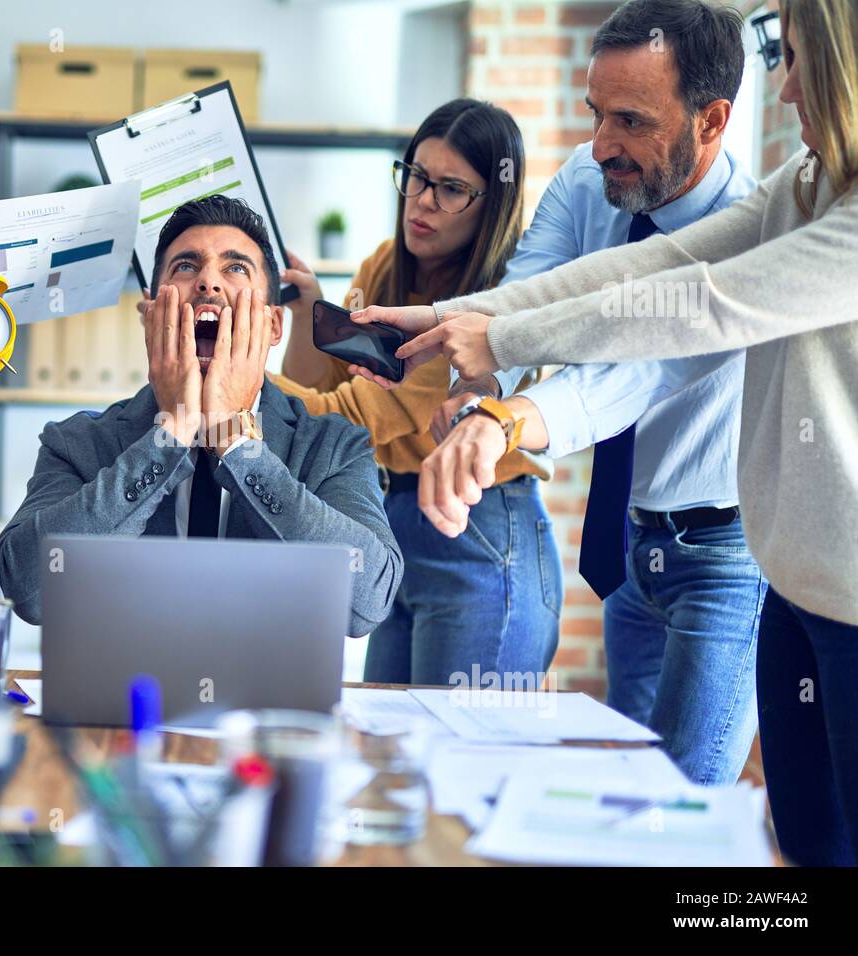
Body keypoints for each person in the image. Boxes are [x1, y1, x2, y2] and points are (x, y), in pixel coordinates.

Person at [373, 0, 858, 866]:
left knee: (682, 835)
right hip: (721, 572)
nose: (783, 87)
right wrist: (456, 317)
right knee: (708, 833)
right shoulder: (803, 189)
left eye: (797, 62)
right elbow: (648, 266)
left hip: (771, 570)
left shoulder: (823, 215)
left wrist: (505, 378)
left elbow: (689, 317)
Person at [0, 195, 403, 635]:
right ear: (151, 315)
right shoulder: (75, 441)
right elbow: (29, 589)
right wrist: (169, 436)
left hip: (269, 701)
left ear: (273, 325)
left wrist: (237, 443)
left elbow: (366, 603)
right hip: (122, 699)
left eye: (236, 268)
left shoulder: (335, 445)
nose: (208, 282)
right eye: (186, 266)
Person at [269, 98, 560, 687]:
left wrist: (231, 372)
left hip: (478, 531)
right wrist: (307, 313)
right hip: (394, 521)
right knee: (394, 748)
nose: (424, 201)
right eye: (417, 177)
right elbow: (320, 389)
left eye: (452, 189)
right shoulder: (384, 267)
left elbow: (347, 420)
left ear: (491, 206)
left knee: (459, 760)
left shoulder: (482, 307)